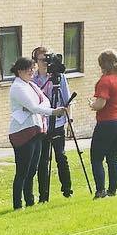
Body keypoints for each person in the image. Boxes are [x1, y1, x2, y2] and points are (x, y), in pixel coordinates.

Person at [6, 56, 63, 210]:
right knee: (22, 171)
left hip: (36, 130)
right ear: (19, 71)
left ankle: (29, 201)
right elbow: (35, 107)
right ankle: (18, 205)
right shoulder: (18, 87)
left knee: (32, 169)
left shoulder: (31, 85)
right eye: (28, 69)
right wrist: (52, 112)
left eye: (33, 68)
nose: (31, 71)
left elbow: (44, 101)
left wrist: (37, 107)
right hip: (23, 132)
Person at [31, 46, 74, 201]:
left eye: (48, 59)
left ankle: (67, 189)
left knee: (61, 156)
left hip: (57, 124)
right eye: (42, 60)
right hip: (41, 124)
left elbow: (67, 100)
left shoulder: (59, 77)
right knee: (43, 160)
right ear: (36, 61)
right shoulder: (33, 80)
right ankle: (44, 195)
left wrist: (70, 121)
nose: (46, 63)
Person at [89, 49, 117, 197]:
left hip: (107, 123)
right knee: (113, 158)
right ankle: (112, 190)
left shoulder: (105, 81)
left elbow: (100, 104)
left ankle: (100, 191)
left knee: (96, 158)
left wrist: (92, 105)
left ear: (103, 65)